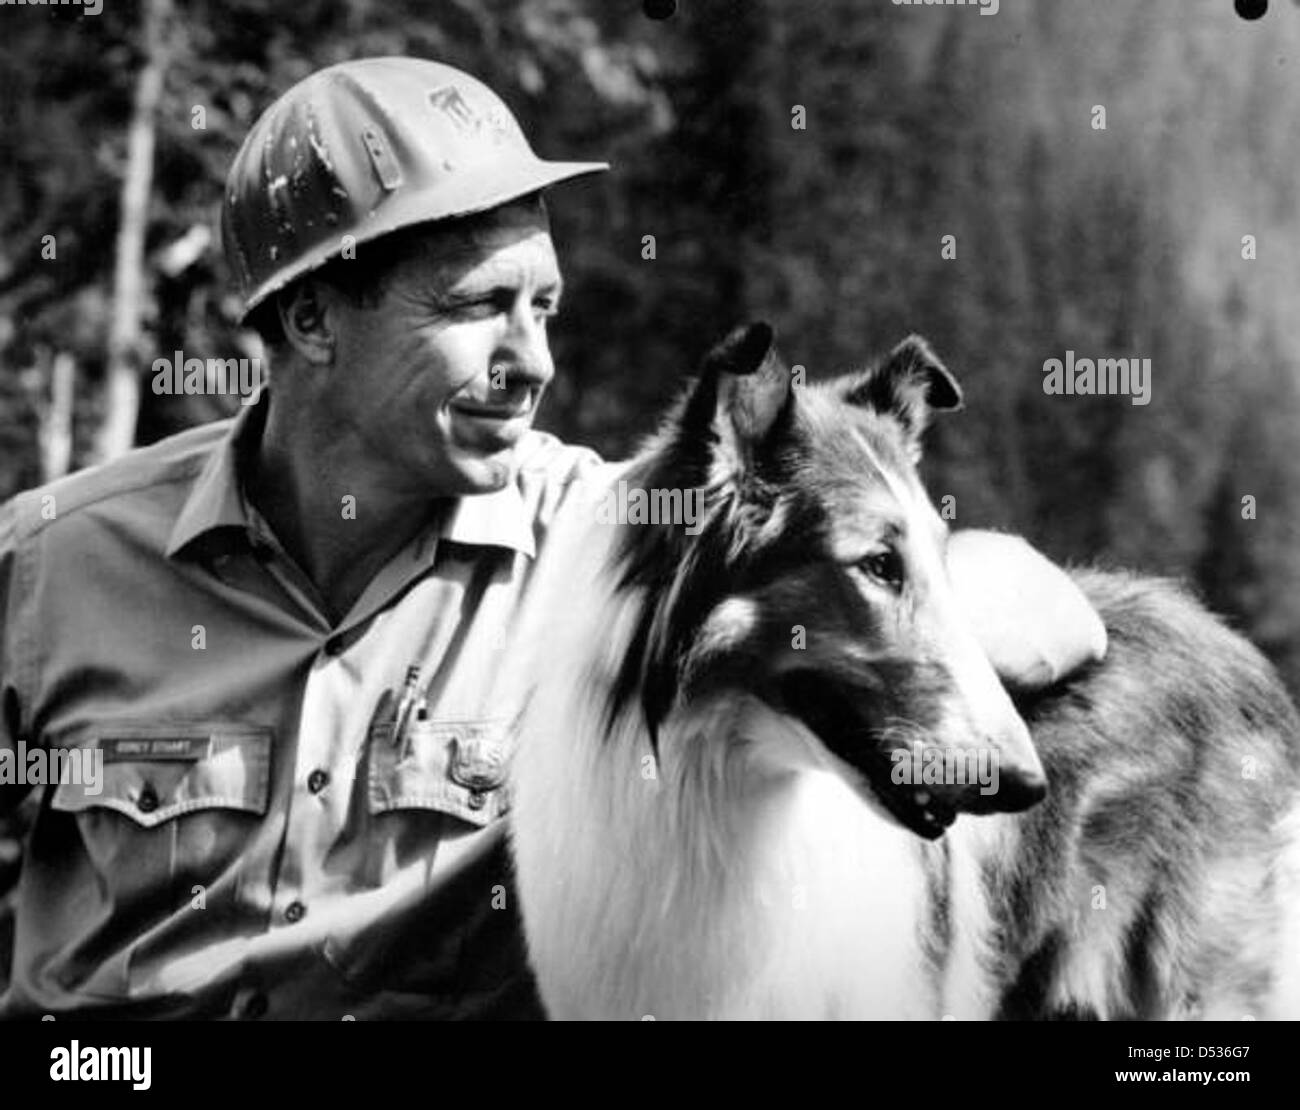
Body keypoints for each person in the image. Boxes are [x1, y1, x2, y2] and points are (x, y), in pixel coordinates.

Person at [0, 56, 1104, 1019]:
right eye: (481, 308)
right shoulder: (53, 566)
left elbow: (1038, 602)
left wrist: (920, 617)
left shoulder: (608, 553)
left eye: (547, 310)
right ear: (312, 319)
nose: (535, 362)